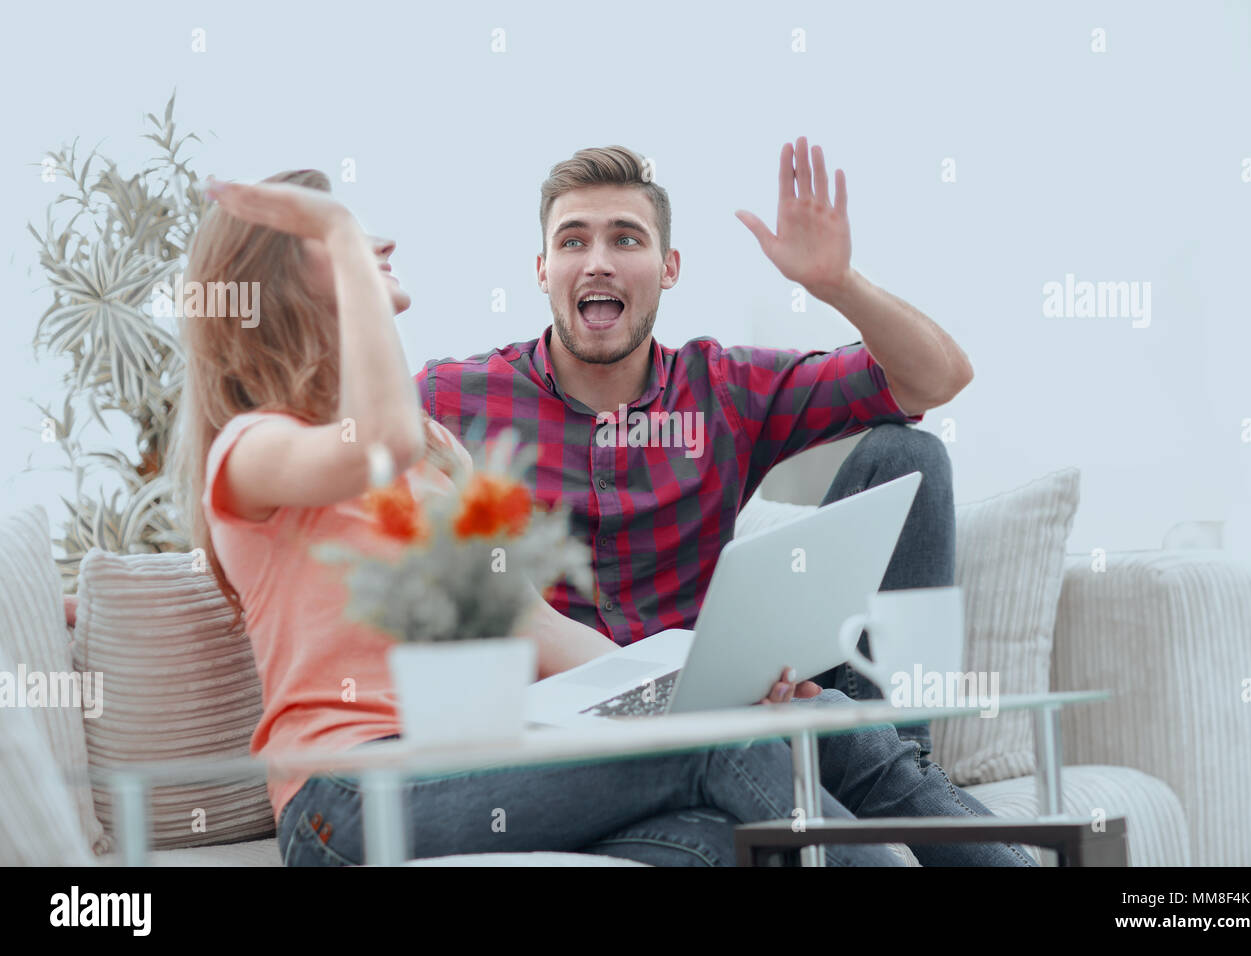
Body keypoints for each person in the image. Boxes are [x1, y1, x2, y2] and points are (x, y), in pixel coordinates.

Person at [175, 167, 1033, 867]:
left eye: (626, 238)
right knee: (719, 748)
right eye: (348, 242)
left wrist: (703, 691)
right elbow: (378, 436)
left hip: (477, 761)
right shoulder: (254, 448)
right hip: (347, 797)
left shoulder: (437, 475)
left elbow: (537, 626)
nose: (380, 247)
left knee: (723, 827)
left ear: (667, 265)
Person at [417, 140, 1033, 867]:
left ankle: (895, 749)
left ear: (669, 268)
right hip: (586, 730)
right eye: (573, 240)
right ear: (542, 268)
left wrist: (838, 285)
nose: (598, 261)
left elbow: (938, 379)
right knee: (838, 728)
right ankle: (889, 763)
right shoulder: (452, 398)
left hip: (732, 692)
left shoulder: (724, 390)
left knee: (911, 455)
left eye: (627, 238)